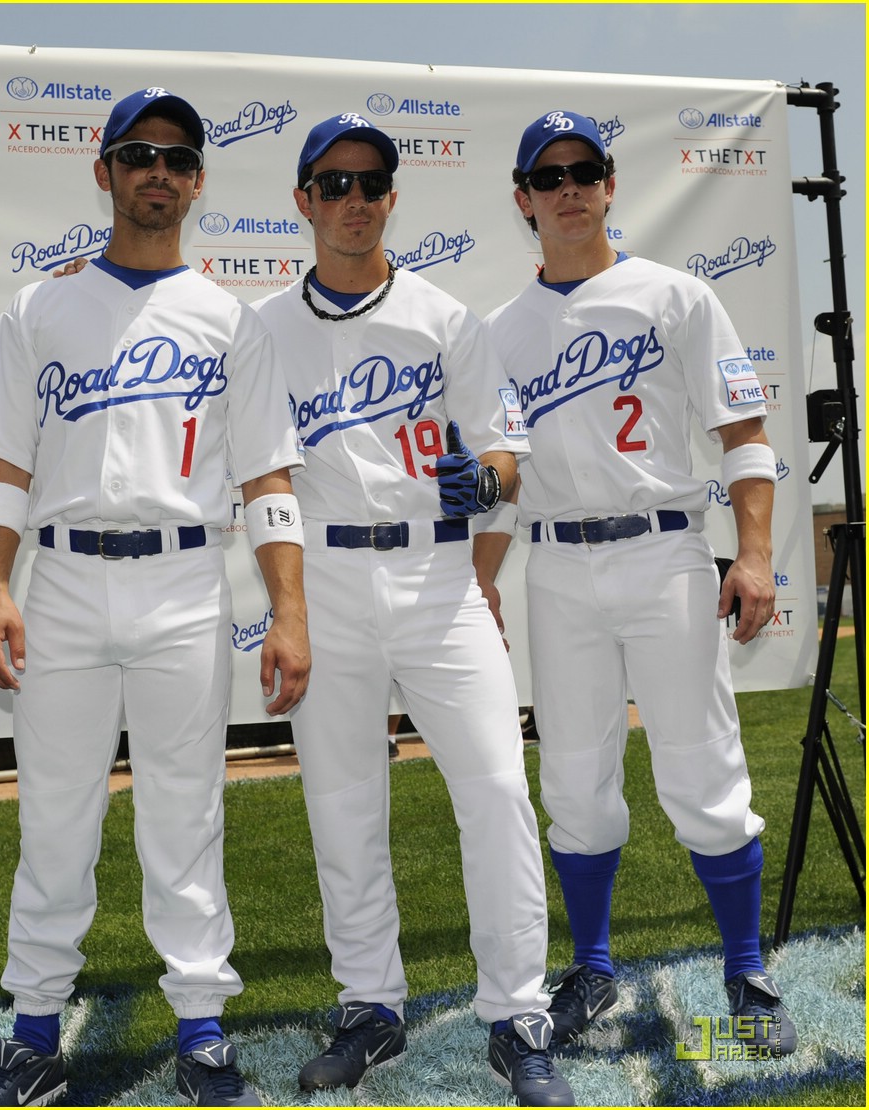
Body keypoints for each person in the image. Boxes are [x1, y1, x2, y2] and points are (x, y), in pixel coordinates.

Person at [0, 87, 311, 1107]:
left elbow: (267, 481)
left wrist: (288, 611)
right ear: (103, 170)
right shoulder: (39, 307)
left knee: (185, 818)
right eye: (138, 154)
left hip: (184, 583)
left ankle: (203, 1031)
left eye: (177, 158)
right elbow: (3, 465)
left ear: (197, 183)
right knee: (54, 820)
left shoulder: (229, 321)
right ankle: (31, 1038)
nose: (158, 171)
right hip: (62, 582)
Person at [254, 113, 575, 1106]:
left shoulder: (445, 318)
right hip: (326, 580)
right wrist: (288, 611)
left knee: (497, 789)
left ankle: (517, 1015)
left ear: (392, 198)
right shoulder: (260, 328)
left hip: (438, 581)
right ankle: (369, 1008)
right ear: (304, 199)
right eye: (334, 183)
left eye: (371, 183)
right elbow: (263, 477)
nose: (353, 199)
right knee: (342, 803)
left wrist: (485, 480)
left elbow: (506, 457)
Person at [475, 109, 796, 1056]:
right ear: (524, 199)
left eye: (585, 170)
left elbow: (744, 436)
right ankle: (593, 968)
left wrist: (755, 554)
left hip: (663, 556)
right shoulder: (500, 333)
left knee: (703, 771)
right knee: (575, 780)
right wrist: (480, 584)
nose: (569, 188)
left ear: (610, 185)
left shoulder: (677, 296)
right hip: (558, 567)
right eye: (549, 175)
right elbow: (503, 482)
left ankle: (747, 973)